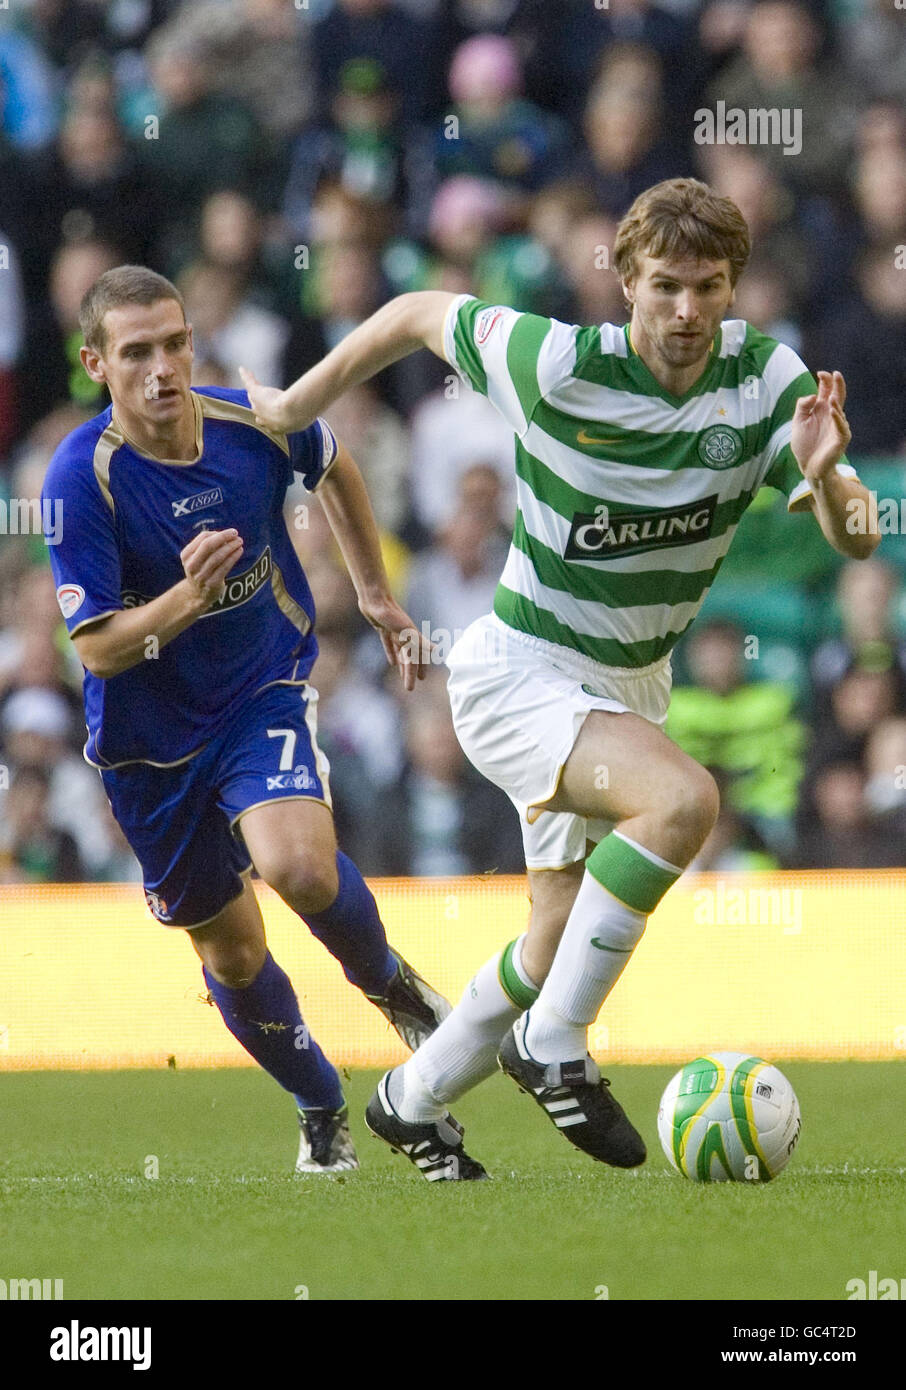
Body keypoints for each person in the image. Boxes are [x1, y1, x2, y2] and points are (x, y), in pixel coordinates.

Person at [240, 177, 881, 1181]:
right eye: (664, 284)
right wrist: (291, 405)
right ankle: (556, 1047)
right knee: (681, 802)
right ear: (625, 281)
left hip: (630, 686)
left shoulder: (767, 382)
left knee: (551, 932)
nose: (684, 309)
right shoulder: (556, 363)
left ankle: (411, 1101)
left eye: (707, 286)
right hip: (520, 671)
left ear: (733, 286)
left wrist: (836, 477)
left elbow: (855, 542)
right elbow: (415, 312)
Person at [41, 265, 451, 1176]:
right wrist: (189, 596)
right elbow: (100, 650)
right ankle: (320, 1105)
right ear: (96, 364)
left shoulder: (254, 422)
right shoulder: (81, 478)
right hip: (147, 751)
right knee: (232, 958)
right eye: (136, 352)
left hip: (261, 688)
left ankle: (396, 991)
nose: (162, 368)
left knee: (297, 865)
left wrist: (378, 595)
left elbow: (334, 462)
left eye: (175, 342)